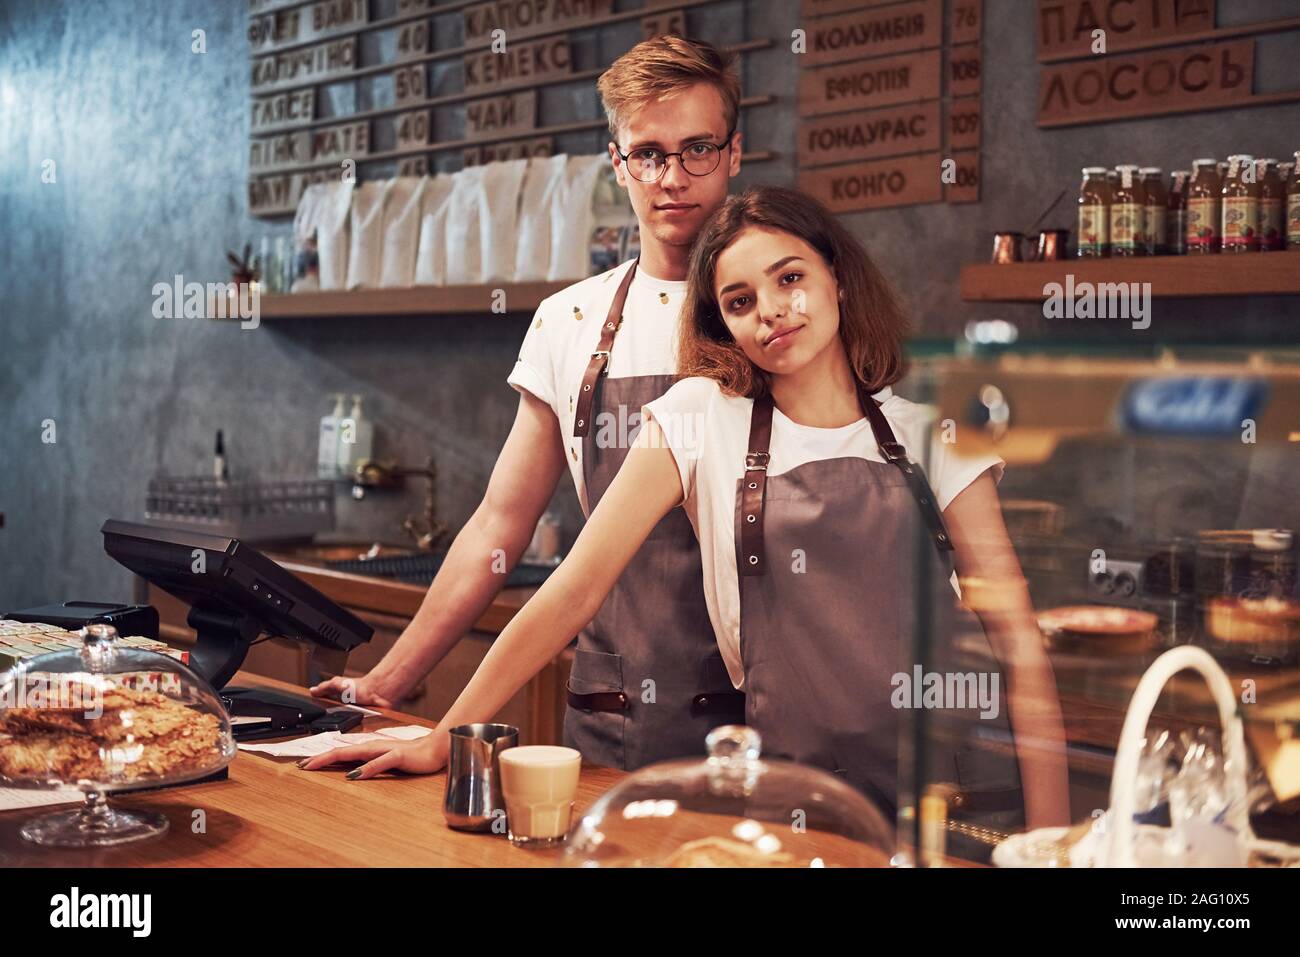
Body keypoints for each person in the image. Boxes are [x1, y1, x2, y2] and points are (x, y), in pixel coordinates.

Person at [302, 185, 1072, 832]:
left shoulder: (935, 431)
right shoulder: (700, 413)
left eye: (790, 278)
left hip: (950, 804)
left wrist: (1054, 845)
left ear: (836, 275)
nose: (771, 310)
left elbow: (1019, 642)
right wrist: (443, 736)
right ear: (723, 324)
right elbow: (574, 586)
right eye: (741, 300)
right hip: (790, 808)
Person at [307, 36, 747, 770]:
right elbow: (498, 527)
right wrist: (386, 682)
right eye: (648, 153)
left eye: (698, 148)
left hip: (751, 719)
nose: (673, 177)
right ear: (618, 163)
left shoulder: (771, 320)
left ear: (734, 153)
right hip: (613, 716)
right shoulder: (570, 320)